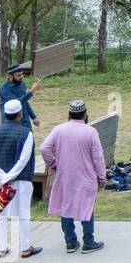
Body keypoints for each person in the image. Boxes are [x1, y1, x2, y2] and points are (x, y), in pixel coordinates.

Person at [41, 99, 105, 254]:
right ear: (85, 114)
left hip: (65, 177)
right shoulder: (90, 131)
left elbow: (44, 149)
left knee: (66, 208)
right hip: (86, 177)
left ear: (69, 114)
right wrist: (102, 177)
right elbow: (98, 157)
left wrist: (54, 164)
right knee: (86, 208)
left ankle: (70, 242)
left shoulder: (58, 130)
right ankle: (88, 242)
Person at [0, 99, 41, 259]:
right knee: (23, 214)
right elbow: (23, 160)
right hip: (21, 180)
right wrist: (9, 176)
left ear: (5, 115)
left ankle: (2, 248)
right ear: (20, 114)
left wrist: (2, 177)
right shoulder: (27, 133)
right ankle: (24, 247)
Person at [0, 63, 40, 130]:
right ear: (10, 76)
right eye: (18, 75)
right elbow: (16, 102)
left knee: (30, 139)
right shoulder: (3, 89)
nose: (21, 77)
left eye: (22, 74)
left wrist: (34, 117)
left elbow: (25, 102)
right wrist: (31, 91)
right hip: (10, 123)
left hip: (24, 120)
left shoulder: (22, 84)